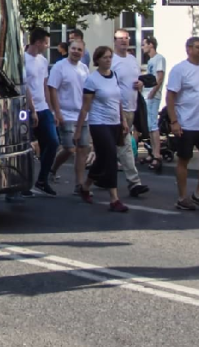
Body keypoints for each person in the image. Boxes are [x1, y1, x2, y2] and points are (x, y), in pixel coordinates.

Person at [166, 37, 199, 211]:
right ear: (188, 49)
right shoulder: (180, 69)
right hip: (186, 124)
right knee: (184, 160)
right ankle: (182, 198)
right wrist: (174, 121)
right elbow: (170, 97)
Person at [76, 46, 130, 212]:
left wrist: (124, 121)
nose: (108, 60)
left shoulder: (114, 76)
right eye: (105, 57)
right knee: (111, 158)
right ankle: (114, 199)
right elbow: (85, 107)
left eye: (110, 57)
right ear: (97, 60)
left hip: (114, 123)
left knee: (102, 159)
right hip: (99, 124)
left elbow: (118, 100)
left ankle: (85, 186)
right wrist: (78, 130)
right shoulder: (92, 80)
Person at [111, 30, 150, 198]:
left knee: (111, 148)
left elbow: (137, 78)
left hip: (132, 108)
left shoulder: (133, 59)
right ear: (115, 41)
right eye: (120, 39)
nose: (124, 41)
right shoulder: (112, 60)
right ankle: (134, 183)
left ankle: (93, 177)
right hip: (117, 110)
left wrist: (141, 83)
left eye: (127, 38)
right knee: (125, 147)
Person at [47, 39, 90, 190]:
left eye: (79, 49)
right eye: (73, 48)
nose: (76, 51)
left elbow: (87, 91)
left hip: (82, 115)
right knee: (69, 148)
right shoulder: (59, 67)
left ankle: (79, 183)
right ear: (69, 49)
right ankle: (52, 169)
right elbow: (52, 89)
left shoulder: (84, 68)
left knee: (83, 148)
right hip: (66, 113)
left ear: (83, 52)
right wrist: (56, 112)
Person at [24, 28, 58, 196]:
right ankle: (22, 184)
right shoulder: (23, 60)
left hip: (43, 108)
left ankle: (42, 179)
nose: (47, 46)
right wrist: (32, 109)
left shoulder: (43, 61)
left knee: (52, 142)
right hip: (29, 109)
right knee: (25, 147)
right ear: (37, 42)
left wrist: (51, 109)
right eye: (45, 42)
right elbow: (25, 86)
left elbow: (44, 85)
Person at [140, 36, 166, 171]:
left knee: (153, 124)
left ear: (151, 45)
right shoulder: (150, 60)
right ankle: (153, 152)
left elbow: (160, 78)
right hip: (147, 94)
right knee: (149, 124)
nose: (142, 47)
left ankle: (157, 154)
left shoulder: (159, 59)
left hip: (152, 96)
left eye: (144, 44)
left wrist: (153, 92)